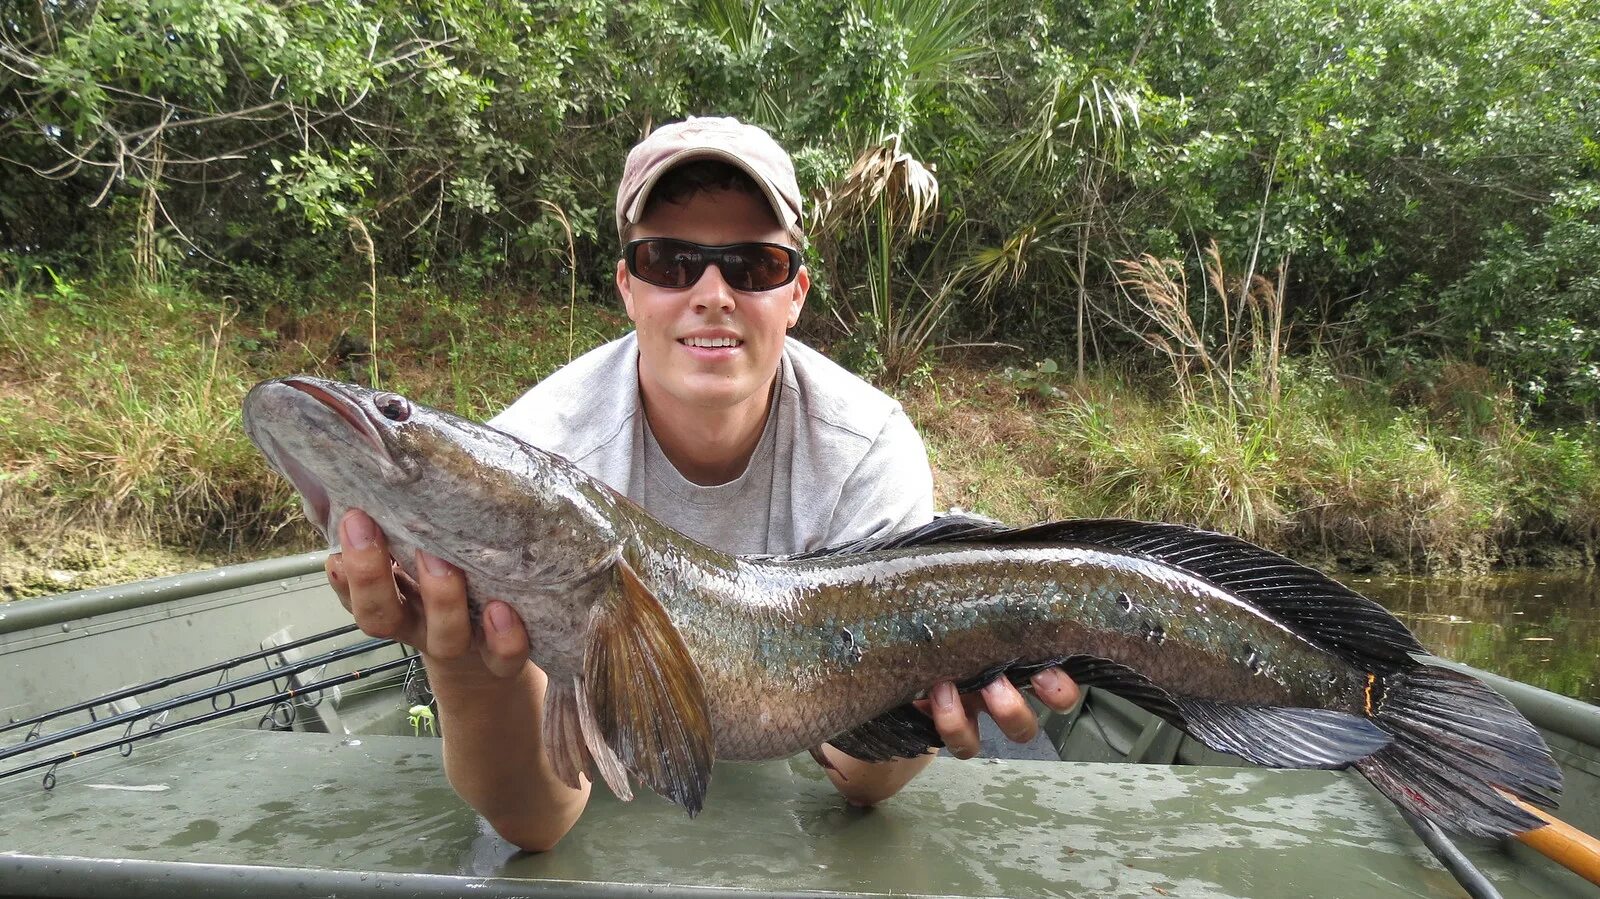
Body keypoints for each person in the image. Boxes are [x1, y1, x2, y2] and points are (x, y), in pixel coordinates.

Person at [325, 116, 1081, 852]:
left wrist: (926, 696)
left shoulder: (867, 446)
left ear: (796, 293)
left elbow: (857, 780)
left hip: (806, 782)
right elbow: (542, 821)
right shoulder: (539, 442)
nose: (712, 292)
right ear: (627, 286)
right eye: (670, 262)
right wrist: (460, 665)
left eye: (753, 266)